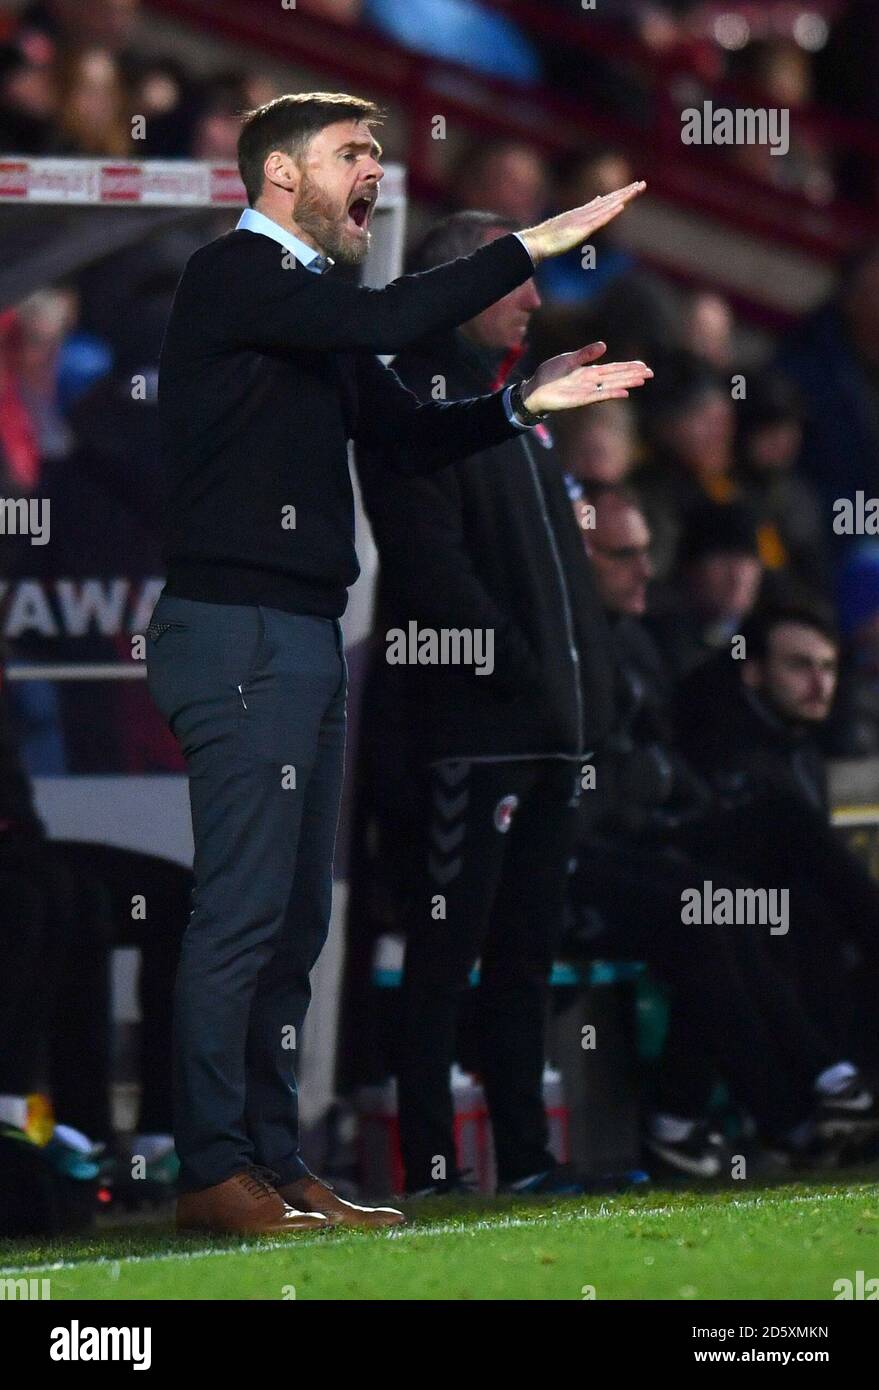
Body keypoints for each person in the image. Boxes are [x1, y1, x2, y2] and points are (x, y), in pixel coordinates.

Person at [147, 88, 651, 1235]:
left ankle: (274, 1166)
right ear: (280, 175)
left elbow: (408, 431)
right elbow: (388, 326)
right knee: (241, 913)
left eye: (378, 151)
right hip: (237, 631)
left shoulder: (311, 311)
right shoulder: (231, 276)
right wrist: (528, 243)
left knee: (290, 923)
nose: (374, 171)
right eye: (351, 153)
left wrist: (522, 402)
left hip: (299, 635)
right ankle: (211, 1167)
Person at [357, 210, 632, 1197]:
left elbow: (557, 579)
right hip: (471, 738)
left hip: (547, 736)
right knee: (446, 953)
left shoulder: (511, 402)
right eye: (518, 280)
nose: (535, 299)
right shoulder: (419, 405)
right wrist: (518, 668)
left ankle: (524, 1162)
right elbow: (434, 572)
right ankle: (430, 1168)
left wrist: (584, 695)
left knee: (521, 958)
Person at [566, 489, 879, 1174]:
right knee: (728, 897)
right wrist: (659, 789)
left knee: (772, 889)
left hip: (654, 837)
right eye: (623, 555)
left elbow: (655, 764)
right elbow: (605, 779)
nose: (645, 570)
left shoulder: (634, 642)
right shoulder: (574, 648)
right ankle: (807, 1100)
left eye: (648, 552)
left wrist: (666, 790)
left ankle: (793, 1109)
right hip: (596, 855)